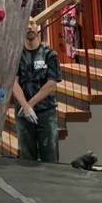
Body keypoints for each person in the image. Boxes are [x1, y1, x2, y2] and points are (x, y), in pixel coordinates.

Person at [12, 18, 62, 163]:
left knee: (50, 156)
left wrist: (30, 105)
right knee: (27, 157)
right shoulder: (17, 55)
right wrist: (25, 107)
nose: (29, 26)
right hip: (23, 113)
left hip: (46, 112)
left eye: (32, 23)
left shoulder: (50, 54)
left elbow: (52, 83)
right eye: (25, 23)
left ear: (37, 27)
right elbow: (13, 83)